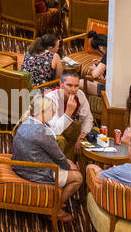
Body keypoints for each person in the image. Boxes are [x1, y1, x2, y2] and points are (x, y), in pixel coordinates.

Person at [11, 92, 83, 220]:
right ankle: (55, 208)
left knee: (70, 164)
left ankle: (54, 199)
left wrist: (67, 165)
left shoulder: (27, 121)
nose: (54, 112)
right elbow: (59, 157)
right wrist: (68, 167)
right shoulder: (43, 132)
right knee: (77, 177)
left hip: (21, 165)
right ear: (43, 112)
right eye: (52, 110)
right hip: (35, 171)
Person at [45, 68, 95, 157]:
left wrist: (81, 137)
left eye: (76, 86)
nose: (73, 89)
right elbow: (56, 129)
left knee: (86, 135)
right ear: (61, 85)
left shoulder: (80, 94)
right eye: (69, 85)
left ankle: (73, 166)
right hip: (48, 131)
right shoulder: (50, 98)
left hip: (67, 129)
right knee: (61, 140)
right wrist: (68, 112)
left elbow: (88, 117)